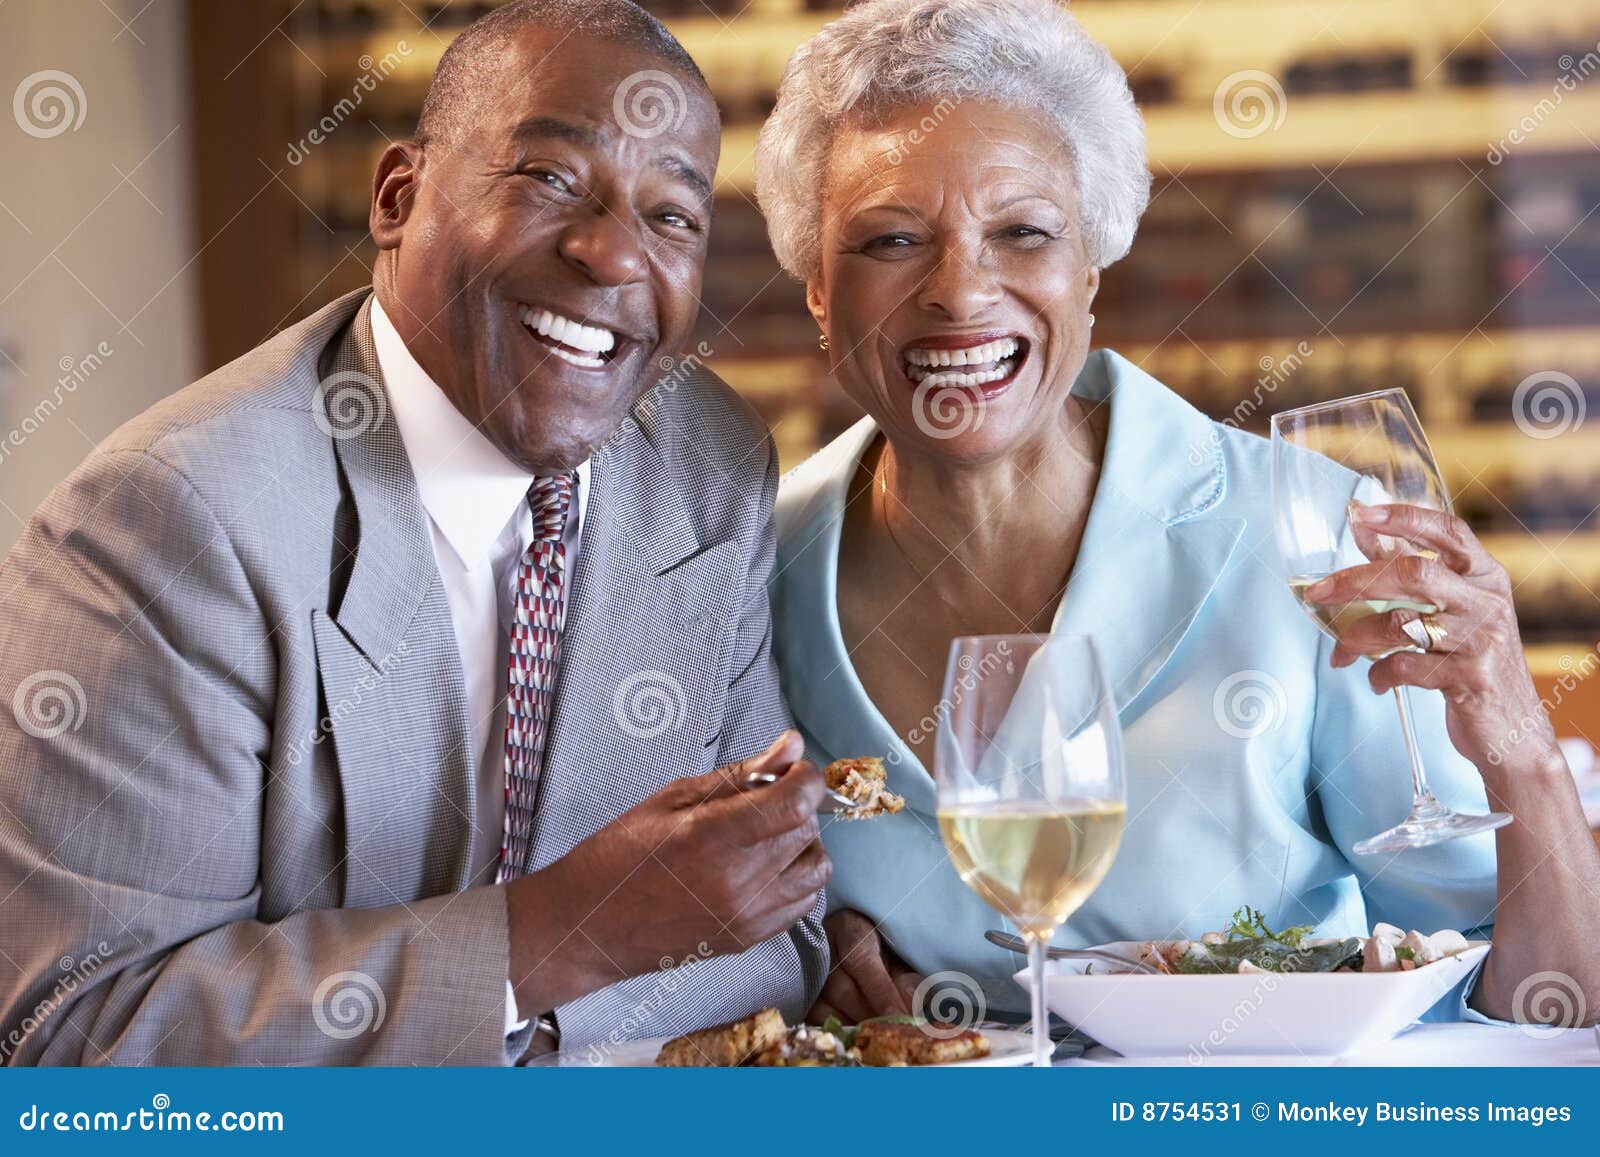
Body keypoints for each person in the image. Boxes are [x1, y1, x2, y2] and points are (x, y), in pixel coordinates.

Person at [0, 0, 829, 1066]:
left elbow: (773, 927)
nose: (613, 254)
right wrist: (554, 937)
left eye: (671, 216)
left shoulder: (706, 464)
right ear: (398, 197)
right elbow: (75, 1040)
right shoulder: (176, 520)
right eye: (551, 180)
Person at [756, 0, 1600, 1025]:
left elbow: (1547, 1000)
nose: (959, 291)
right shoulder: (752, 567)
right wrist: (802, 949)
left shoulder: (1311, 540)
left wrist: (1517, 741)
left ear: (1089, 271)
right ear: (815, 290)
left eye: (1022, 232)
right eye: (891, 239)